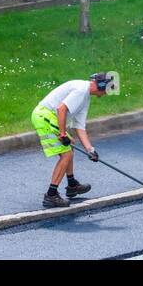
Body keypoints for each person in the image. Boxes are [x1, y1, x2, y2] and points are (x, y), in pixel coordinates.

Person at [32, 72, 113, 208]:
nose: (107, 93)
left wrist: (90, 149)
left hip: (50, 117)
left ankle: (72, 184)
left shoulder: (85, 96)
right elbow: (61, 109)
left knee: (69, 149)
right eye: (108, 89)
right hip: (44, 116)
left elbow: (79, 126)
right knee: (66, 154)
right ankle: (51, 195)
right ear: (101, 86)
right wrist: (63, 134)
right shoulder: (81, 90)